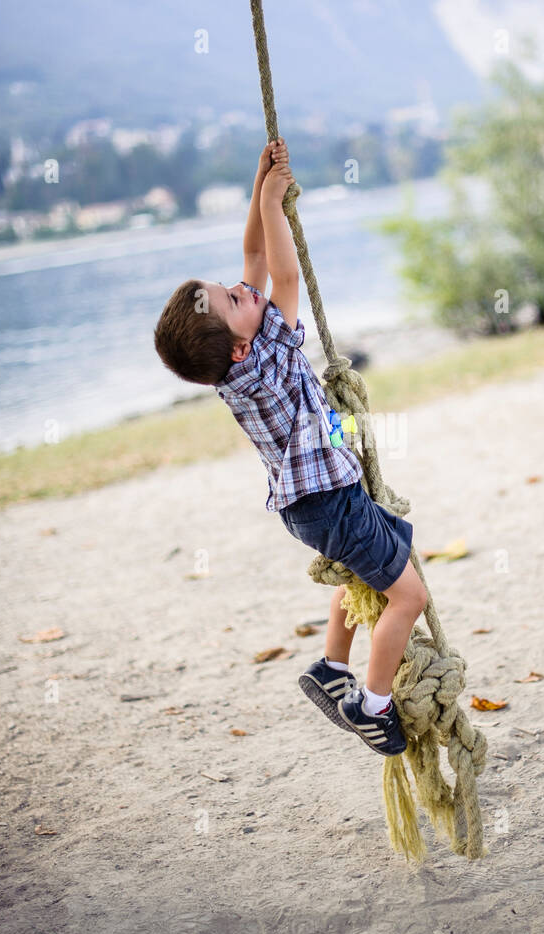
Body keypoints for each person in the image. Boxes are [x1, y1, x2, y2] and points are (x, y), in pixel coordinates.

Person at [153, 138, 428, 756]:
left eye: (231, 287)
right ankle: (373, 703)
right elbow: (282, 270)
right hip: (329, 501)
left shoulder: (241, 357)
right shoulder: (268, 353)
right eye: (233, 298)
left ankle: (332, 668)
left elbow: (253, 253)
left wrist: (258, 189)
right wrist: (275, 201)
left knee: (371, 574)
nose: (241, 288)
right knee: (409, 597)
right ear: (241, 344)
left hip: (312, 504)